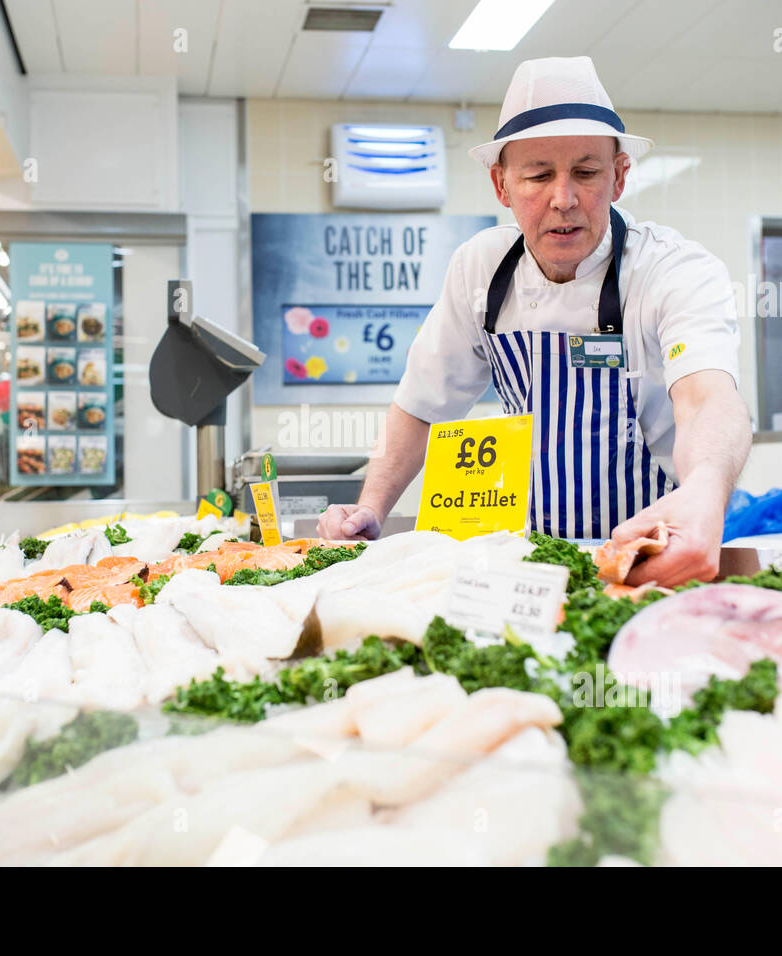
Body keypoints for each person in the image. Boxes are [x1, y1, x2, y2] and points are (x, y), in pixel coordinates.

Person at [317, 57, 751, 587]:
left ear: (619, 178)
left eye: (586, 173)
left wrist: (705, 492)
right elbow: (421, 406)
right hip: (527, 565)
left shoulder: (674, 270)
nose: (563, 199)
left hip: (654, 554)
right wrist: (371, 507)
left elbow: (708, 398)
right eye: (539, 175)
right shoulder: (481, 269)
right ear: (502, 185)